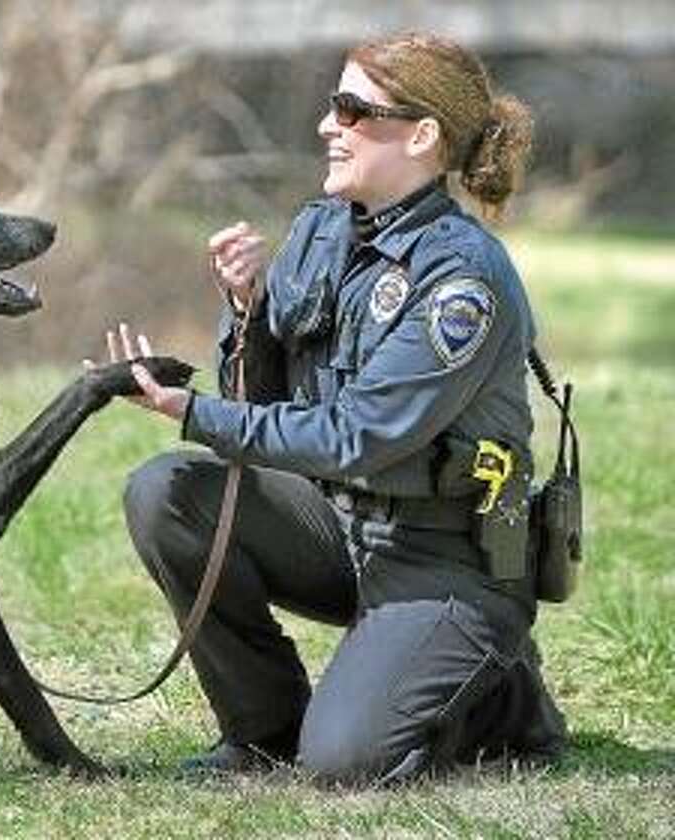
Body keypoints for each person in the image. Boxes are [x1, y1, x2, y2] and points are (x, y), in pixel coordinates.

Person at [104, 32, 568, 785]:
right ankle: (263, 731)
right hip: (340, 526)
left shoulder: (462, 279)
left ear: (421, 136)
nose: (329, 125)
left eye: (353, 110)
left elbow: (357, 436)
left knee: (346, 765)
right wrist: (247, 308)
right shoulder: (321, 229)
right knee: (166, 492)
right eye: (333, 105)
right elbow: (267, 408)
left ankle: (503, 698)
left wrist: (190, 412)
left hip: (446, 558)